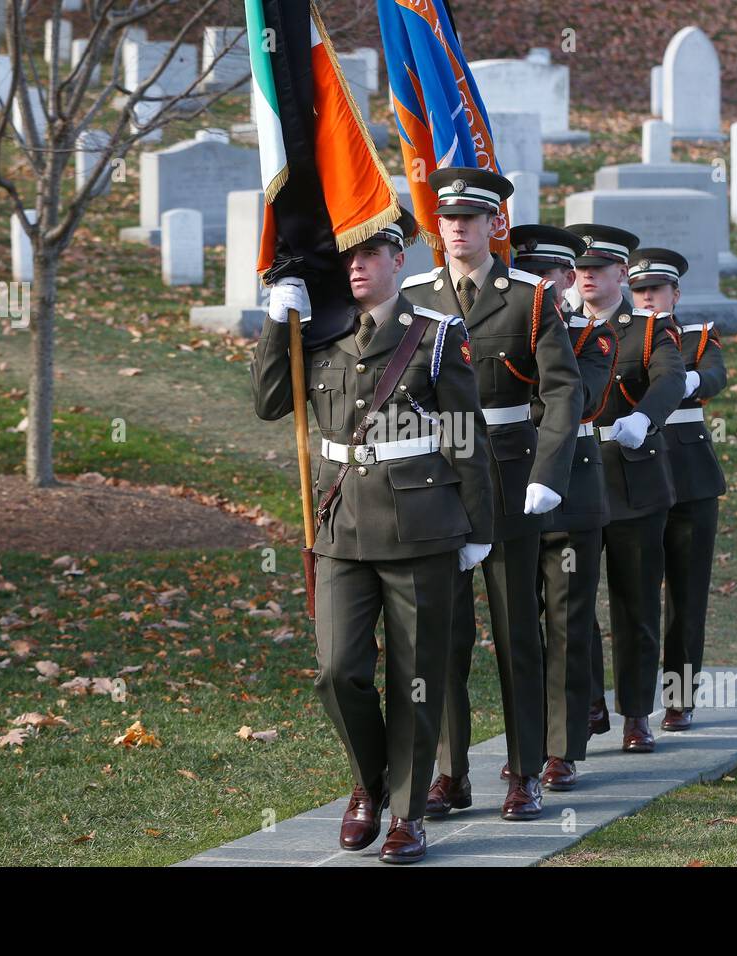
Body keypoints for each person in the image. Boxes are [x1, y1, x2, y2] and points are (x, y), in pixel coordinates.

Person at [250, 208, 493, 863]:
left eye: (370, 254)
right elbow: (270, 401)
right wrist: (279, 319)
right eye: (346, 256)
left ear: (398, 260)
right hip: (339, 526)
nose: (354, 266)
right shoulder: (319, 330)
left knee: (416, 679)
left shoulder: (436, 335)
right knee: (337, 671)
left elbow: (467, 434)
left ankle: (407, 815)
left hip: (423, 528)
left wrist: (480, 527)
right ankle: (370, 782)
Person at [404, 167, 583, 821]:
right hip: (441, 481)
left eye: (470, 219)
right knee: (443, 632)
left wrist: (549, 472)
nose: (457, 228)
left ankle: (526, 770)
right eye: (448, 219)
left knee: (516, 632)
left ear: (492, 226)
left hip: (510, 477)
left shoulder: (529, 297)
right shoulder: (415, 296)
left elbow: (562, 390)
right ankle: (450, 773)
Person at [511, 223, 617, 791]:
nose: (540, 287)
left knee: (568, 621)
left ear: (566, 280)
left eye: (549, 277)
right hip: (510, 490)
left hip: (572, 494)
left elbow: (583, 400)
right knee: (518, 626)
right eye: (529, 275)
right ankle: (528, 741)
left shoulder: (592, 337)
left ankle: (561, 747)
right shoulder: (504, 331)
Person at [579, 229, 686, 754]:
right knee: (569, 603)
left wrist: (646, 417)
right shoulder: (556, 324)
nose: (587, 274)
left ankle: (637, 713)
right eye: (580, 266)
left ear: (622, 274)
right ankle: (587, 703)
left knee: (636, 602)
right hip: (573, 476)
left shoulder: (647, 330)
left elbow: (669, 378)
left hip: (632, 477)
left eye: (599, 267)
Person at [633, 250, 727, 732]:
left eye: (656, 289)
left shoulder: (695, 337)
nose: (647, 297)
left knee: (687, 596)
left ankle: (680, 697)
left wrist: (689, 377)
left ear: (675, 294)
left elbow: (716, 375)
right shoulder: (618, 339)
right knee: (639, 596)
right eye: (639, 289)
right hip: (637, 480)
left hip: (690, 481)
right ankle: (635, 706)